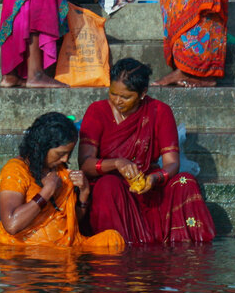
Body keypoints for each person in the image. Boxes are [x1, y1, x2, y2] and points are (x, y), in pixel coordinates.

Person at [79, 58, 216, 244]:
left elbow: (172, 163)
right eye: (113, 94)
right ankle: (119, 248)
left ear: (143, 93)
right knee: (108, 185)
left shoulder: (159, 111)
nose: (118, 101)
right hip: (111, 188)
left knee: (186, 182)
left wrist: (154, 178)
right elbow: (85, 164)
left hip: (149, 185)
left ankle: (189, 252)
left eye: (126, 97)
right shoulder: (97, 111)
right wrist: (117, 164)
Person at [0, 112, 125, 251]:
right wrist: (46, 192)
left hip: (63, 248)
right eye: (60, 154)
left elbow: (71, 223)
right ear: (41, 147)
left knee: (112, 240)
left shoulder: (60, 172)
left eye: (69, 153)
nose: (65, 159)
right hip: (23, 252)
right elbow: (12, 225)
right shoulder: (16, 170)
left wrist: (84, 192)